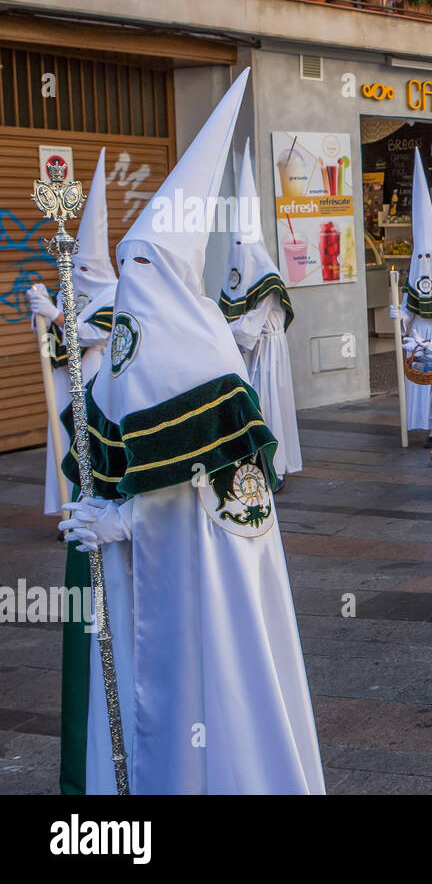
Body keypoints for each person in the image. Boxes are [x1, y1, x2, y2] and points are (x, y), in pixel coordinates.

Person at [57, 69, 324, 794]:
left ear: (173, 273)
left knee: (210, 707)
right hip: (144, 588)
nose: (133, 278)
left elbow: (227, 509)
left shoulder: (209, 362)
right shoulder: (119, 367)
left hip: (204, 591)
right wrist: (96, 511)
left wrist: (127, 520)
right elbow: (103, 460)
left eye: (148, 264)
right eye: (128, 263)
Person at [28, 147, 116, 518]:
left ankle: (92, 505)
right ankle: (67, 506)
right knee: (66, 441)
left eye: (84, 267)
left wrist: (57, 316)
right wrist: (43, 311)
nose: (77, 273)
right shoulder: (74, 294)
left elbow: (95, 334)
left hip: (97, 384)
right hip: (68, 383)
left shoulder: (114, 295)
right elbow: (57, 335)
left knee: (91, 444)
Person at [219, 140, 301, 488]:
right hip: (251, 352)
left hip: (266, 350)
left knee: (268, 405)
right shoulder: (240, 272)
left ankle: (275, 466)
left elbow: (249, 327)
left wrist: (219, 333)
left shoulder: (267, 280)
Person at [397, 148, 432, 451]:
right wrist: (401, 316)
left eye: (429, 255)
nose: (425, 260)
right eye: (421, 256)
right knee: (419, 383)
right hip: (419, 335)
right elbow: (409, 309)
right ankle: (422, 428)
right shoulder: (414, 278)